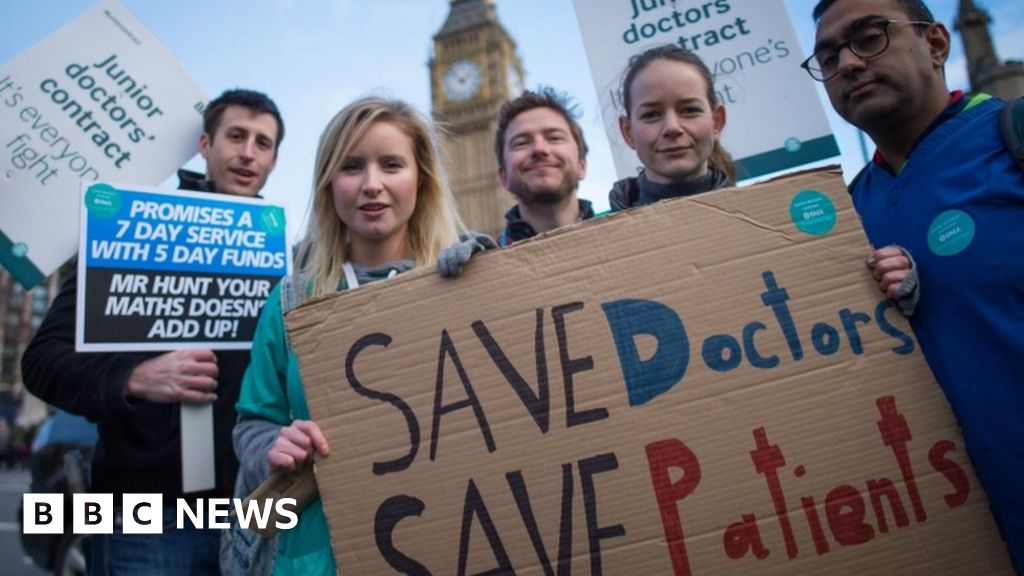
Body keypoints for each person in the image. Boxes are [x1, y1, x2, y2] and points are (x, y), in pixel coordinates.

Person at [21, 88, 284, 575]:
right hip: (147, 519)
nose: (249, 153)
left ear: (272, 160)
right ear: (205, 145)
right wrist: (134, 377)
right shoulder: (129, 233)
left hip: (255, 512)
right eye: (236, 136)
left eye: (263, 143)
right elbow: (42, 362)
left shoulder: (282, 267)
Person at [807, 0, 1023, 569]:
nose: (847, 63)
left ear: (935, 44)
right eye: (827, 57)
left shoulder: (1013, 138)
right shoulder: (846, 214)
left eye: (869, 37)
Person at [232, 96, 464, 575]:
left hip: (446, 544)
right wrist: (274, 444)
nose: (372, 185)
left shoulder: (463, 283)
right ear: (328, 184)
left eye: (392, 165)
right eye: (352, 167)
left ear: (421, 179)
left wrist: (486, 286)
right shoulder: (290, 302)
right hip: (314, 555)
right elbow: (252, 421)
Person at [611, 44, 735, 211]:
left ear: (717, 122)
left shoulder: (763, 218)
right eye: (651, 115)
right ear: (628, 132)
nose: (672, 127)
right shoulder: (596, 235)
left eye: (690, 110)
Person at [494, 87, 594, 246]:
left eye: (554, 138)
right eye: (521, 143)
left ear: (582, 165)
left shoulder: (626, 232)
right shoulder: (484, 264)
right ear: (504, 177)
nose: (539, 149)